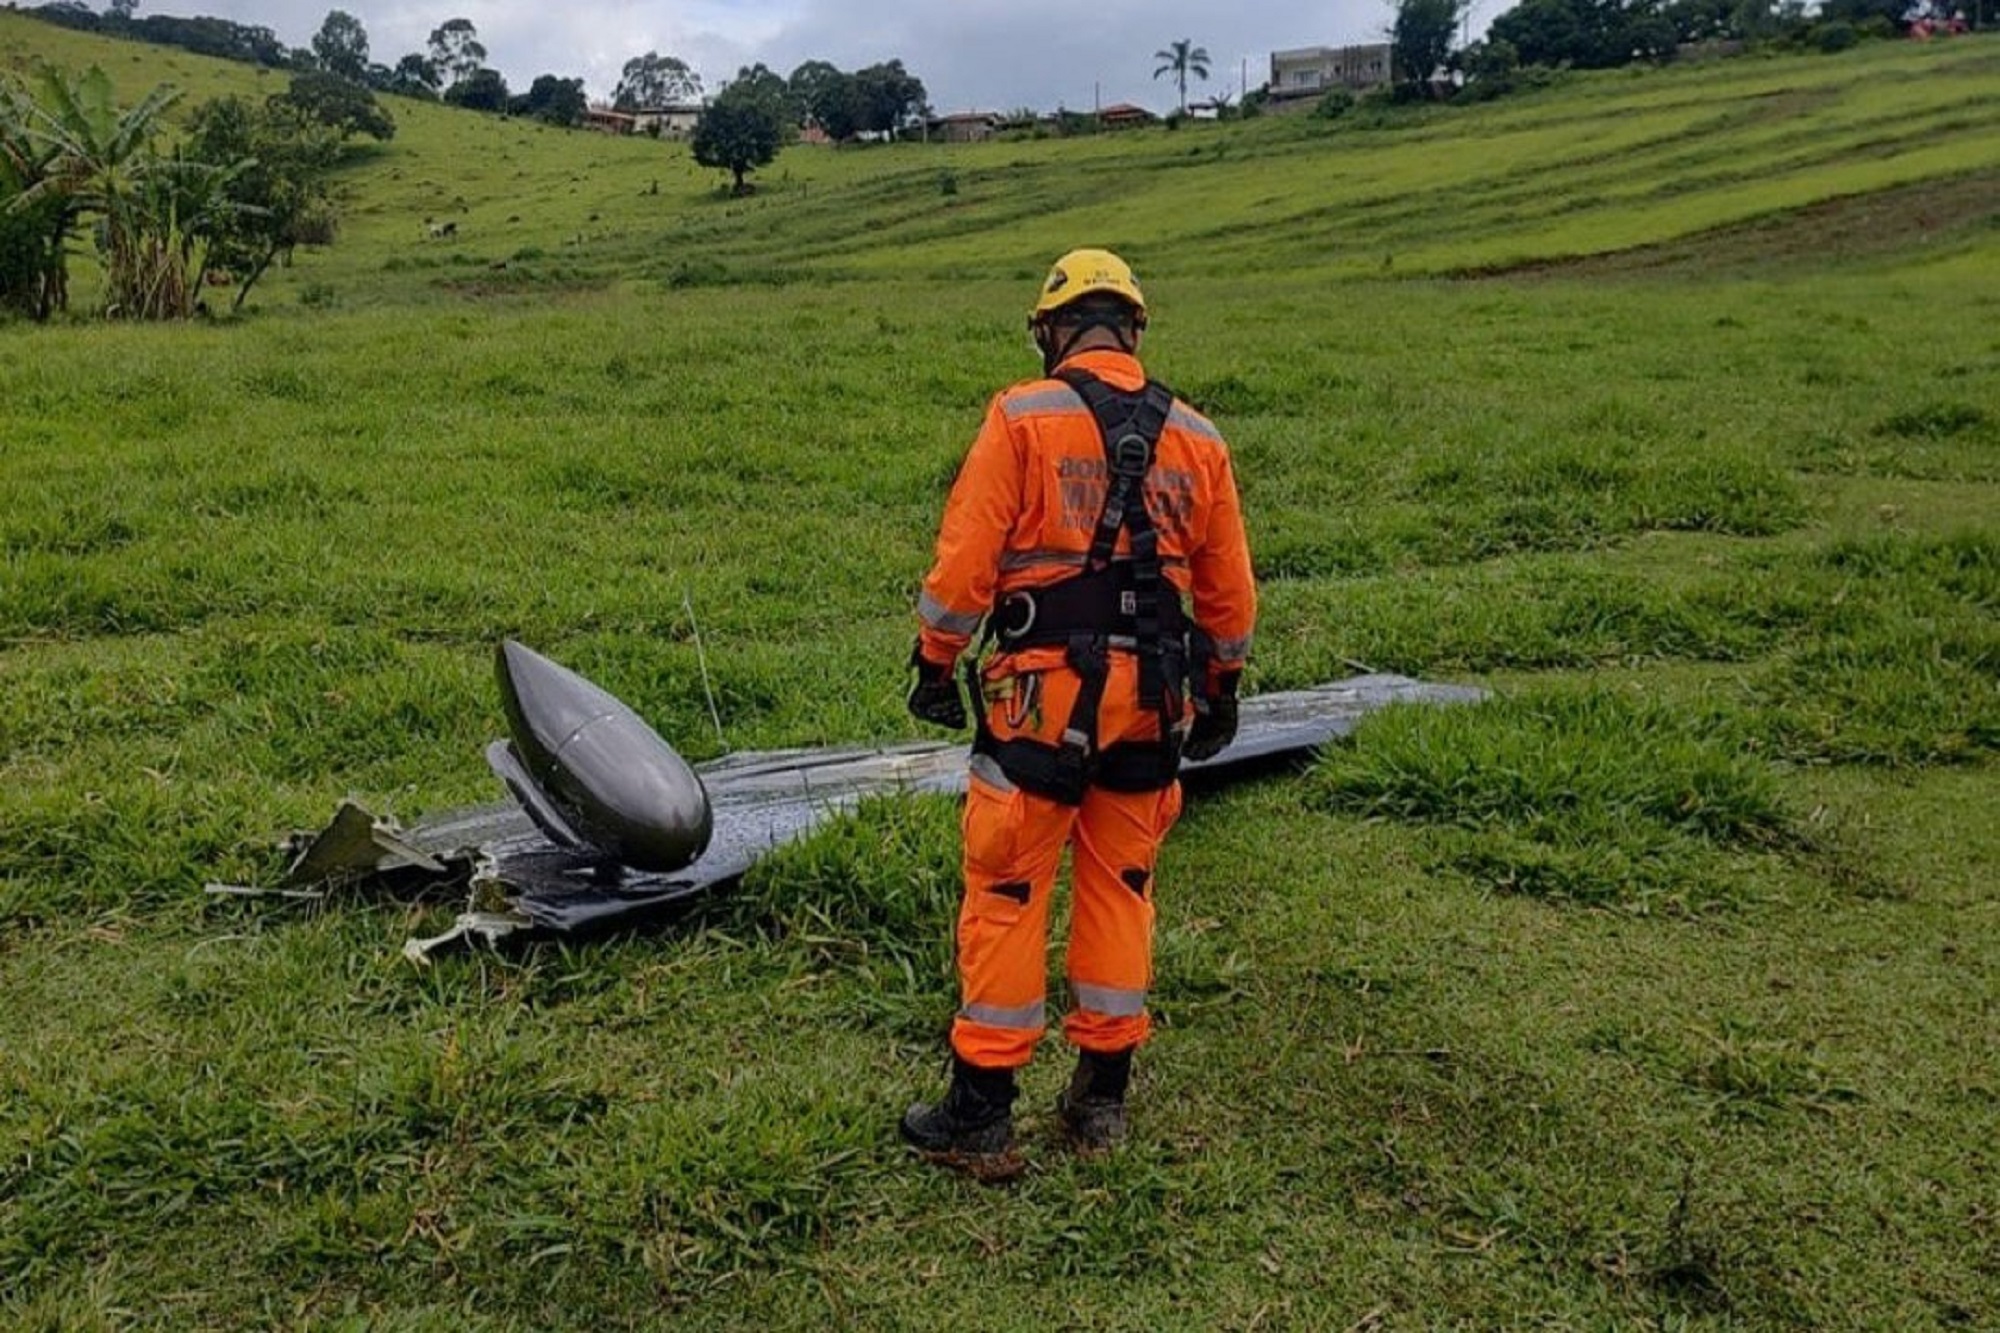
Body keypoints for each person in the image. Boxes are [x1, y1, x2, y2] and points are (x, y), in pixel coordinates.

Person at [901, 248, 1258, 1177]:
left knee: (1010, 887)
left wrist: (936, 664)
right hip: (1151, 708)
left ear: (1053, 332)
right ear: (1133, 331)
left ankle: (980, 1115)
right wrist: (1220, 690)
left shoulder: (1021, 416)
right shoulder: (1201, 439)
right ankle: (1100, 1101)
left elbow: (961, 568)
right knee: (1121, 886)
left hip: (1038, 703)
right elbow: (1228, 597)